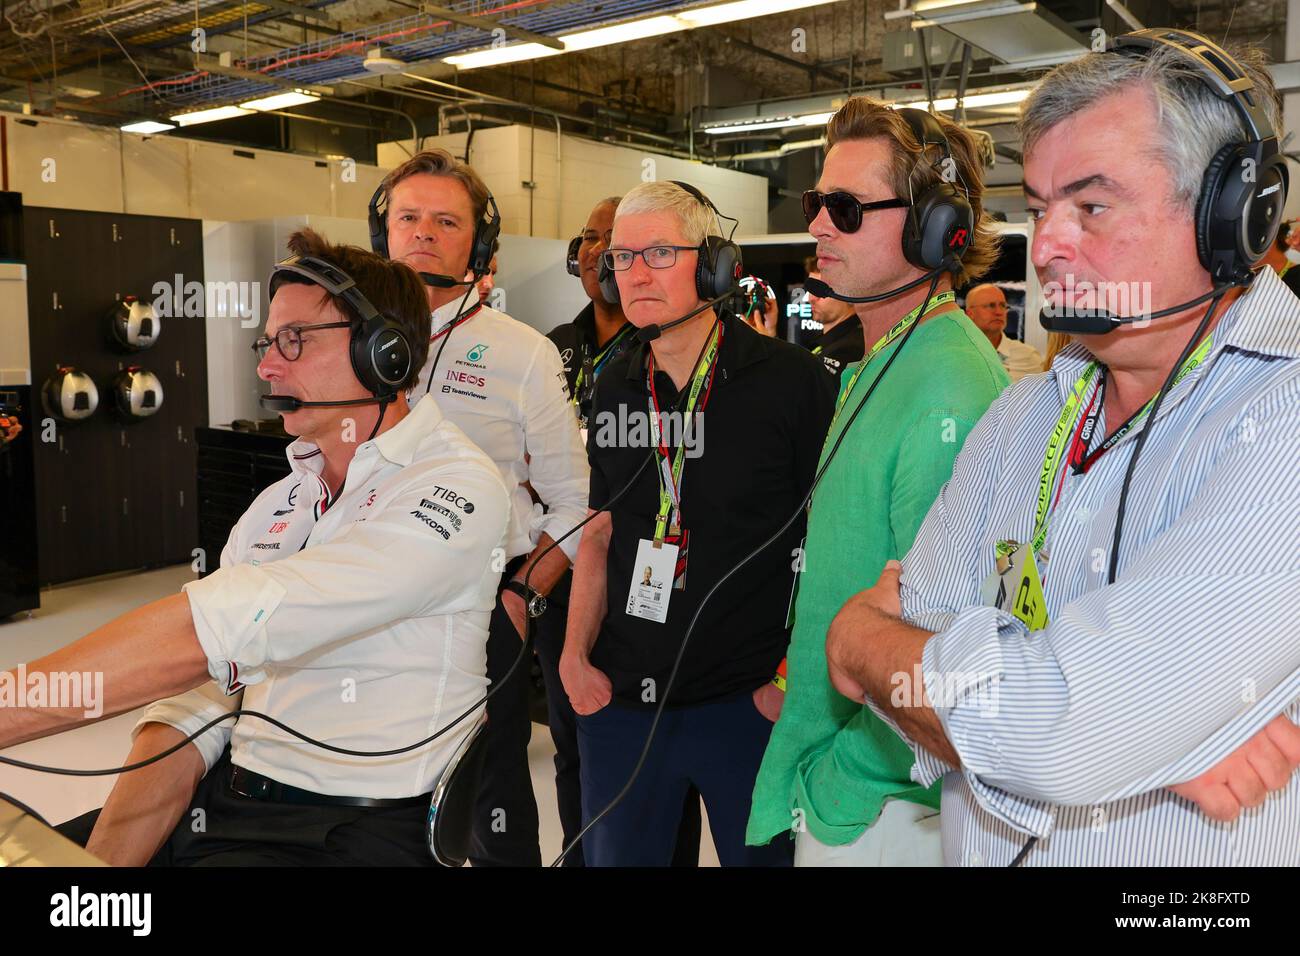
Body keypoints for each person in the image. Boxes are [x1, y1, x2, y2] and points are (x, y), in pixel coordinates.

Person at [825, 29, 1300, 865]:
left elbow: (1063, 725)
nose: (1044, 248)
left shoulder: (1284, 410)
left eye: (1091, 206)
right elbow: (975, 677)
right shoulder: (1022, 417)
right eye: (1042, 208)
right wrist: (1146, 737)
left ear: (1233, 214)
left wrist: (862, 640)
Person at [1, 229, 510, 866]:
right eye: (268, 343)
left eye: (294, 340)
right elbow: (196, 705)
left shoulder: (455, 489)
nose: (267, 366)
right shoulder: (280, 502)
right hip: (234, 796)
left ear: (386, 354)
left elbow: (228, 624)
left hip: (359, 829)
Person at [748, 100, 1009, 866]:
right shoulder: (882, 362)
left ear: (937, 229)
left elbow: (943, 645)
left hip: (888, 809)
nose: (819, 226)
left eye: (847, 208)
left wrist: (841, 780)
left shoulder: (951, 387)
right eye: (816, 204)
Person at [559, 180, 837, 866]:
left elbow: (827, 538)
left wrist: (788, 679)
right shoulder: (615, 381)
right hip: (621, 702)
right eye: (622, 258)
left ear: (712, 264)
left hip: (744, 703)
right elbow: (600, 527)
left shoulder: (791, 382)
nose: (636, 273)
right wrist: (573, 658)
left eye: (659, 252)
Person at [373, 149, 590, 867]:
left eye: (445, 221)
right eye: (408, 217)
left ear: (480, 245)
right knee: (378, 792)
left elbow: (576, 501)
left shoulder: (521, 353)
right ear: (384, 233)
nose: (423, 234)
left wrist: (525, 595)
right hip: (366, 606)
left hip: (479, 609)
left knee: (491, 807)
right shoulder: (347, 341)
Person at [542, 196, 704, 866]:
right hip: (590, 605)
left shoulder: (705, 359)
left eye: (649, 251)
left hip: (691, 624)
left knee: (677, 777)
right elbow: (580, 505)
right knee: (579, 759)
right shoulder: (570, 356)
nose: (620, 264)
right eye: (605, 247)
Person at [965, 282, 1044, 383]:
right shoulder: (957, 355)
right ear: (970, 314)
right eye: (990, 306)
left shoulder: (1029, 357)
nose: (999, 312)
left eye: (1003, 305)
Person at [804, 254, 864, 378]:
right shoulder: (826, 342)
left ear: (849, 293)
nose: (811, 299)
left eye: (820, 290)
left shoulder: (851, 349)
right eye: (811, 290)